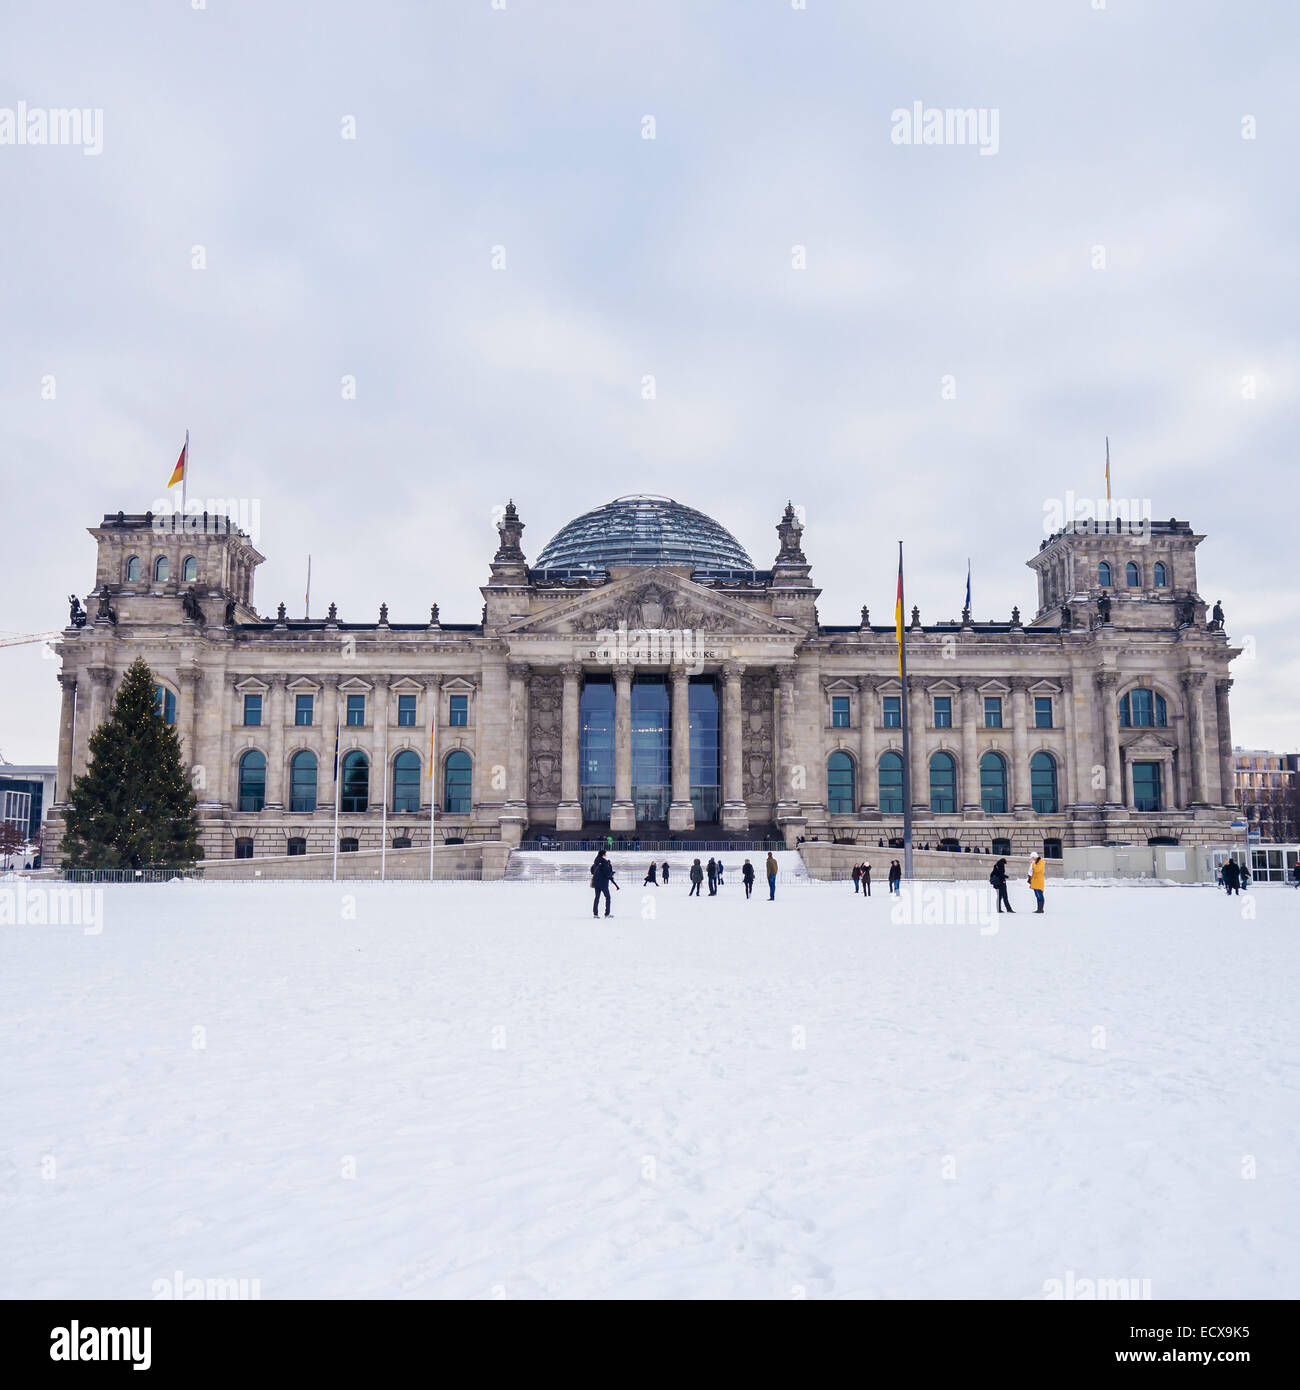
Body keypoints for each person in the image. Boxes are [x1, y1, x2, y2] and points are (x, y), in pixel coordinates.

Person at [590, 849, 618, 918]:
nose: (606, 855)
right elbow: (607, 874)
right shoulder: (604, 862)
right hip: (603, 883)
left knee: (597, 898)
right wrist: (612, 873)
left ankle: (595, 914)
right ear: (603, 855)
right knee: (608, 897)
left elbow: (592, 871)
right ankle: (607, 913)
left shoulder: (596, 862)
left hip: (596, 882)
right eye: (605, 854)